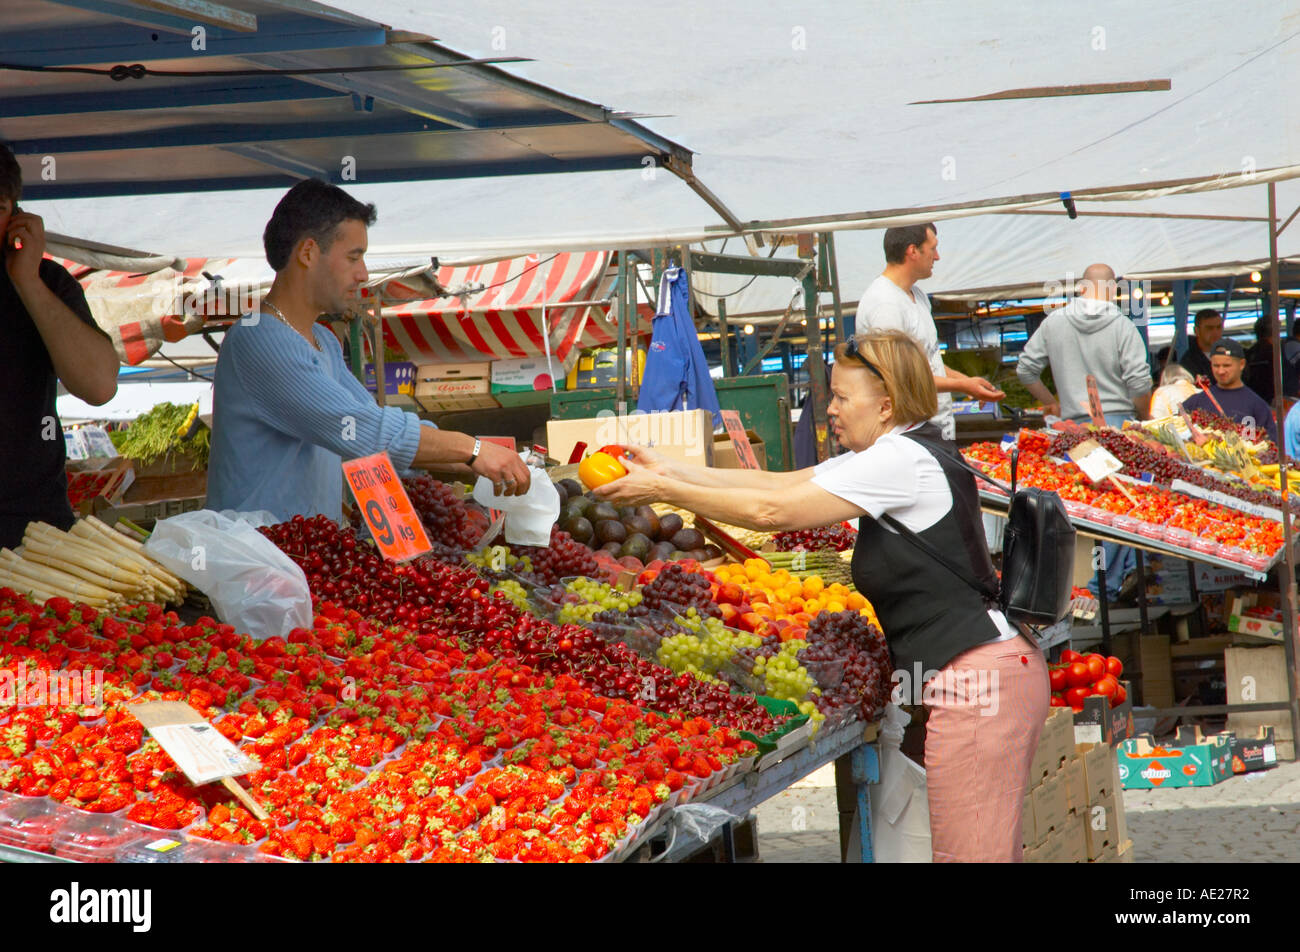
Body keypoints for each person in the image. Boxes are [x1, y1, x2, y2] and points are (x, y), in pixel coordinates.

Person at [596, 330, 1048, 862]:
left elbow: (775, 515)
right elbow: (777, 486)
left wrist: (663, 493)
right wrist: (667, 470)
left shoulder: (901, 459)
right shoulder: (892, 450)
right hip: (976, 675)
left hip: (979, 681)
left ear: (885, 405)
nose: (829, 409)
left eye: (840, 397)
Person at [208, 179, 529, 521]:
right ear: (308, 253)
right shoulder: (260, 340)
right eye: (353, 257)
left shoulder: (323, 341)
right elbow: (364, 430)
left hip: (301, 559)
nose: (363, 274)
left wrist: (480, 463)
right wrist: (472, 450)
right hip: (256, 563)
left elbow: (378, 426)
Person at [0, 144, 119, 550]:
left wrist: (28, 282)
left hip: (32, 529)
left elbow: (99, 386)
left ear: (16, 215)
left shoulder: (45, 282)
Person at [856, 223, 1003, 441]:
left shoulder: (917, 295)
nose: (937, 257)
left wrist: (968, 383)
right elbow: (901, 376)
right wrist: (963, 385)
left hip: (935, 425)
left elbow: (926, 362)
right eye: (933, 248)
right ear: (913, 251)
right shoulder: (884, 304)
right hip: (909, 431)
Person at [1015, 263, 1152, 426]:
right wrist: (1144, 416)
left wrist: (1050, 402)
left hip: (1073, 428)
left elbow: (1025, 370)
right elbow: (1139, 382)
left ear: (1081, 288)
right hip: (1119, 425)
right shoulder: (1123, 326)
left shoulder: (1052, 323)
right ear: (1114, 288)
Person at [1182, 338, 1278, 441]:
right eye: (1216, 365)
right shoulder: (1196, 402)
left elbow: (1270, 447)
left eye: (1226, 365)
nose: (1221, 371)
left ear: (1241, 364)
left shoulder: (1258, 406)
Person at [1179, 309, 1223, 382]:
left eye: (1219, 327)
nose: (1215, 332)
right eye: (1209, 328)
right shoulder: (1188, 362)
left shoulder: (1232, 355)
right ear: (1196, 331)